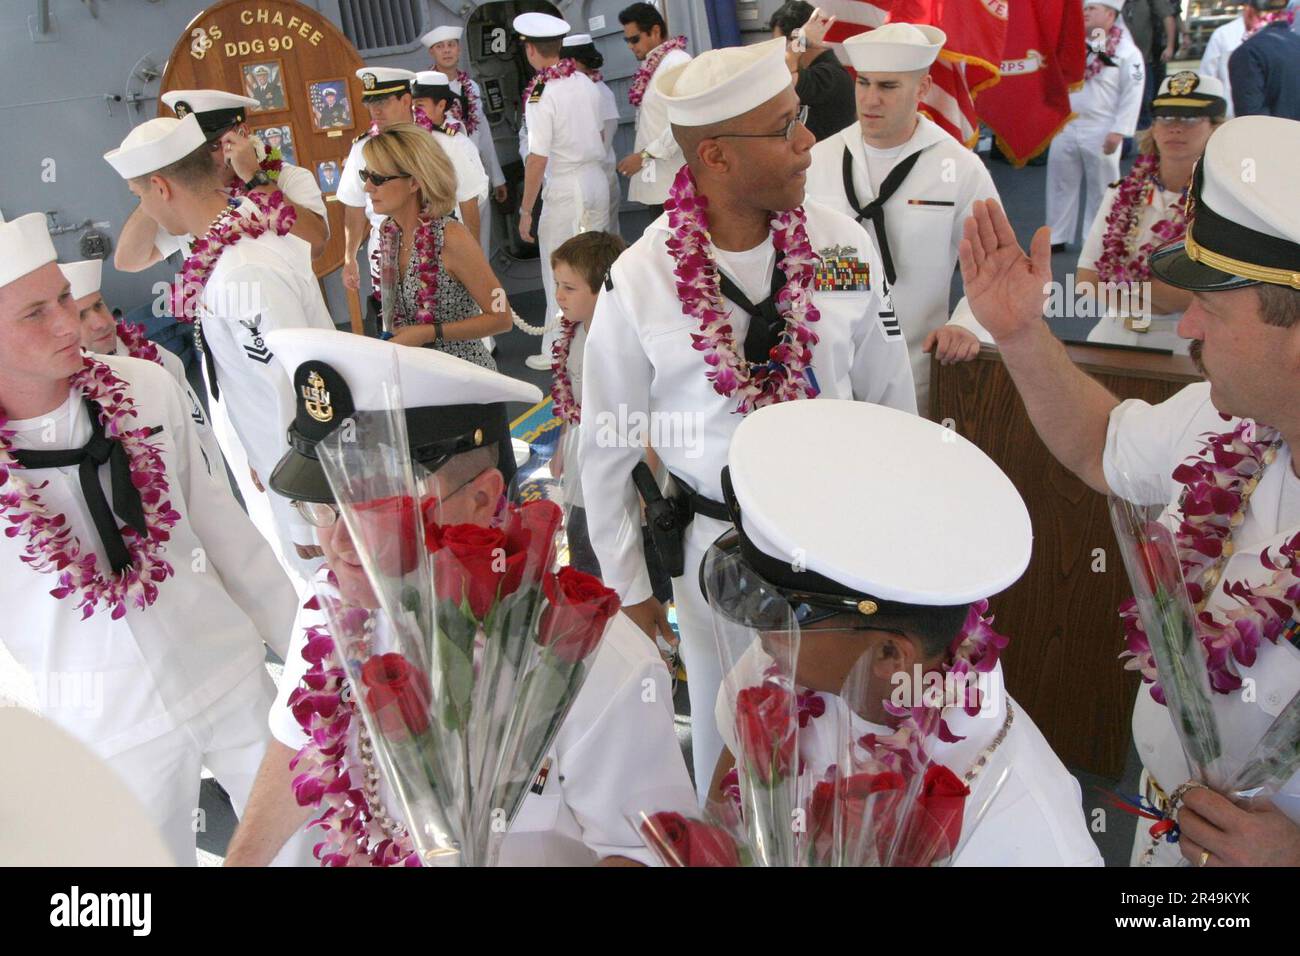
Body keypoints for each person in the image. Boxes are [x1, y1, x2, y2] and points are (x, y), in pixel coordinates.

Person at [958, 114, 1300, 866]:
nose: (1191, 328)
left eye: (1216, 303)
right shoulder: (1228, 420)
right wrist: (1020, 334)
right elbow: (1099, 444)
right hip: (1161, 830)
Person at [579, 38, 915, 793]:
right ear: (718, 157)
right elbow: (604, 447)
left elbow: (893, 398)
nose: (808, 142)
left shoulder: (840, 246)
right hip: (715, 555)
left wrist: (902, 541)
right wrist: (630, 595)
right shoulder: (643, 278)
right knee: (732, 749)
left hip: (842, 545)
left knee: (844, 740)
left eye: (800, 119)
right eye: (785, 128)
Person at [223, 329, 694, 866]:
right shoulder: (333, 606)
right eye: (322, 506)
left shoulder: (593, 665)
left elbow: (647, 853)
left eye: (370, 508)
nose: (335, 541)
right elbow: (296, 743)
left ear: (482, 498)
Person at [0, 211, 304, 866]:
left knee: (305, 845)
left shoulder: (145, 388)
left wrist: (307, 663)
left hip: (227, 672)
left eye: (64, 299)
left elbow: (229, 537)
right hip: (103, 726)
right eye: (34, 314)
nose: (67, 324)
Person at [702, 399, 1104, 865]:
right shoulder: (781, 666)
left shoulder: (1022, 830)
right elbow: (730, 794)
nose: (758, 626)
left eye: (782, 613)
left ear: (891, 654)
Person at [105, 114, 335, 595]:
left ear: (161, 188)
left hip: (313, 492)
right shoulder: (233, 243)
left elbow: (298, 386)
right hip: (280, 462)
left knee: (335, 598)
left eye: (139, 195)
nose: (143, 205)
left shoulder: (243, 271)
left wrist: (307, 513)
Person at [806, 23, 996, 413]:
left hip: (918, 364)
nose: (870, 100)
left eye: (888, 87)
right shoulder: (816, 161)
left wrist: (968, 324)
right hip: (826, 366)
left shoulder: (958, 167)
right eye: (863, 83)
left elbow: (996, 265)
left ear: (923, 88)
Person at [1076, 73, 1226, 353]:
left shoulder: (1223, 206)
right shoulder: (1122, 193)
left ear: (1215, 128)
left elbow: (1206, 297)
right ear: (1154, 128)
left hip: (1187, 347)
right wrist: (1160, 296)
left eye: (1190, 119)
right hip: (1113, 337)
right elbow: (1087, 281)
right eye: (1166, 118)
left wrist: (1122, 287)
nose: (1176, 129)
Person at [115, 89, 329, 269]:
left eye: (211, 147)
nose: (201, 159)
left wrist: (254, 179)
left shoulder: (288, 178)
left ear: (242, 134)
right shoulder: (186, 196)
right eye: (192, 152)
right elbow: (129, 261)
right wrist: (153, 187)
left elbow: (315, 246)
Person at [361, 124, 511, 367]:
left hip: (464, 380)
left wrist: (430, 332)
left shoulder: (452, 237)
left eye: (378, 178)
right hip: (416, 380)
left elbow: (502, 318)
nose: (367, 187)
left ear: (414, 183)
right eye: (365, 175)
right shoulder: (389, 232)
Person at [61, 257, 224, 475]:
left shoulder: (156, 357)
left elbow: (201, 434)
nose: (100, 323)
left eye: (99, 306)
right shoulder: (59, 396)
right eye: (81, 316)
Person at [514, 12, 613, 372]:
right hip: (595, 180)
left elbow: (537, 157)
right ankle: (603, 340)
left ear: (530, 50)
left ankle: (558, 349)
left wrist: (526, 210)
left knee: (558, 270)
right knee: (596, 266)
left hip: (567, 186)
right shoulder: (586, 84)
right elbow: (602, 131)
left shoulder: (542, 93)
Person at [1047, 0, 1145, 252]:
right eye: (1084, 9)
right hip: (1067, 124)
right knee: (1060, 182)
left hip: (1102, 127)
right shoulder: (1070, 46)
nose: (1086, 13)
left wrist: (1119, 130)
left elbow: (1132, 92)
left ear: (1111, 14)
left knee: (1102, 187)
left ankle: (1097, 238)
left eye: (1092, 9)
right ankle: (1056, 235)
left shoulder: (1126, 51)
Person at [339, 66, 417, 330]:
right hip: (385, 252)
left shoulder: (436, 142)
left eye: (382, 102)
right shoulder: (362, 149)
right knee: (394, 333)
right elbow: (354, 205)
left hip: (436, 244)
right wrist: (349, 257)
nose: (375, 111)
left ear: (406, 100)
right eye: (371, 103)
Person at [420, 24, 509, 257]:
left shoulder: (472, 87)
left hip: (475, 174)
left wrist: (497, 177)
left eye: (451, 45)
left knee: (481, 244)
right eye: (440, 47)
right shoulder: (426, 92)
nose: (447, 51)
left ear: (459, 49)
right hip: (447, 178)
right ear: (432, 53)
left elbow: (483, 132)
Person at [616, 3, 692, 218]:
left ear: (656, 31)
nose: (630, 46)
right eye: (627, 40)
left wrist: (644, 156)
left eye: (634, 39)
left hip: (676, 184)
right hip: (659, 184)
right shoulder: (654, 66)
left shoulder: (677, 63)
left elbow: (684, 121)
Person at [410, 70, 489, 241]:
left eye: (420, 105)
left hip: (448, 233)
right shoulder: (407, 139)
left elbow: (469, 201)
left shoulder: (457, 144)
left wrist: (472, 255)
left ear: (440, 105)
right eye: (412, 106)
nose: (414, 111)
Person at [564, 34, 623, 236]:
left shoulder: (598, 92)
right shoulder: (582, 90)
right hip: (593, 179)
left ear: (574, 61)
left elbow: (601, 142)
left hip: (598, 177)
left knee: (599, 241)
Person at [769, 2, 854, 143]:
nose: (780, 54)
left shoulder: (829, 77)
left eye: (781, 46)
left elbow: (783, 80)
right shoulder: (817, 71)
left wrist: (801, 41)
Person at [1228, 0, 1300, 120]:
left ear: (1249, 11)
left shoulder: (1248, 53)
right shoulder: (1295, 43)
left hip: (1275, 137)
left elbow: (1251, 119)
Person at [1122, 0, 1177, 129]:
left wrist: (1169, 46)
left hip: (1144, 59)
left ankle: (1143, 134)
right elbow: (1098, 27)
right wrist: (1098, 53)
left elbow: (1168, 17)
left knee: (1144, 101)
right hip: (1115, 62)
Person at [1199, 7, 1248, 118]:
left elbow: (1206, 80)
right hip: (1231, 115)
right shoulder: (1224, 34)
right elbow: (1206, 79)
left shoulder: (1224, 33)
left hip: (1231, 115)